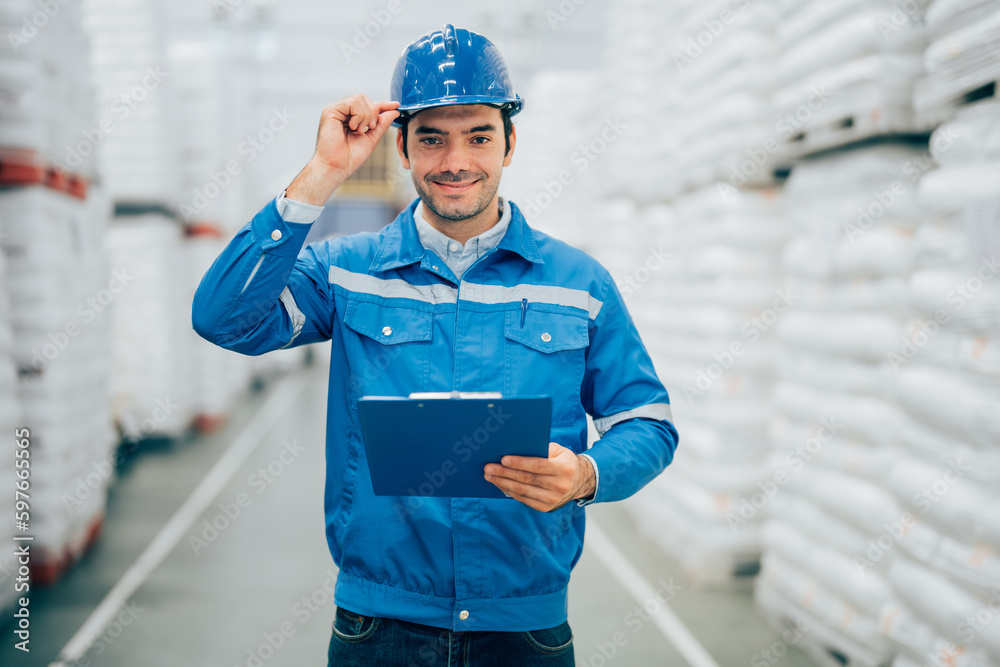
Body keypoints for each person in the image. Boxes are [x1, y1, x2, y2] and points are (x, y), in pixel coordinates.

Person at [192, 23, 677, 667]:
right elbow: (224, 317)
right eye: (432, 138)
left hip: (525, 630)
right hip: (380, 626)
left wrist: (587, 475)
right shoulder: (347, 272)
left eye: (478, 136)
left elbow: (648, 421)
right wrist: (323, 172)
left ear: (510, 143)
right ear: (402, 147)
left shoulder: (579, 284)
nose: (455, 161)